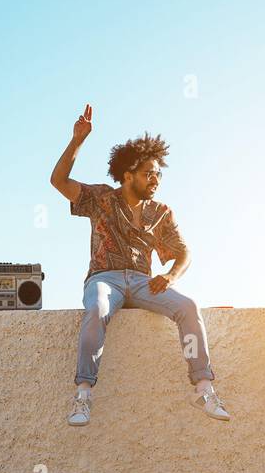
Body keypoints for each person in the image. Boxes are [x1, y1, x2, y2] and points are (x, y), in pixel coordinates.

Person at [50, 104, 231, 427]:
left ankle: (203, 388)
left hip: (143, 282)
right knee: (98, 307)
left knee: (188, 306)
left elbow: (183, 252)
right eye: (149, 173)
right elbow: (58, 180)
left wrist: (170, 275)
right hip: (104, 278)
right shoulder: (102, 198)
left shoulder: (160, 211)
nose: (155, 179)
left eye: (159, 173)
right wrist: (77, 140)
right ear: (128, 174)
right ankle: (83, 394)